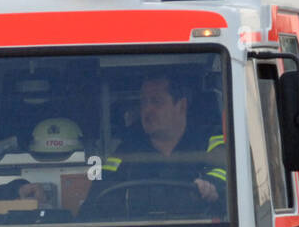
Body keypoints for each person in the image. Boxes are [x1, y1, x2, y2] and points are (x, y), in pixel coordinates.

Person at [83, 74, 226, 217]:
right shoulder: (127, 150)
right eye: (143, 103)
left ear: (181, 106)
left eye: (156, 102)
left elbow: (228, 174)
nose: (147, 110)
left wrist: (210, 186)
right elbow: (98, 197)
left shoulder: (211, 139)